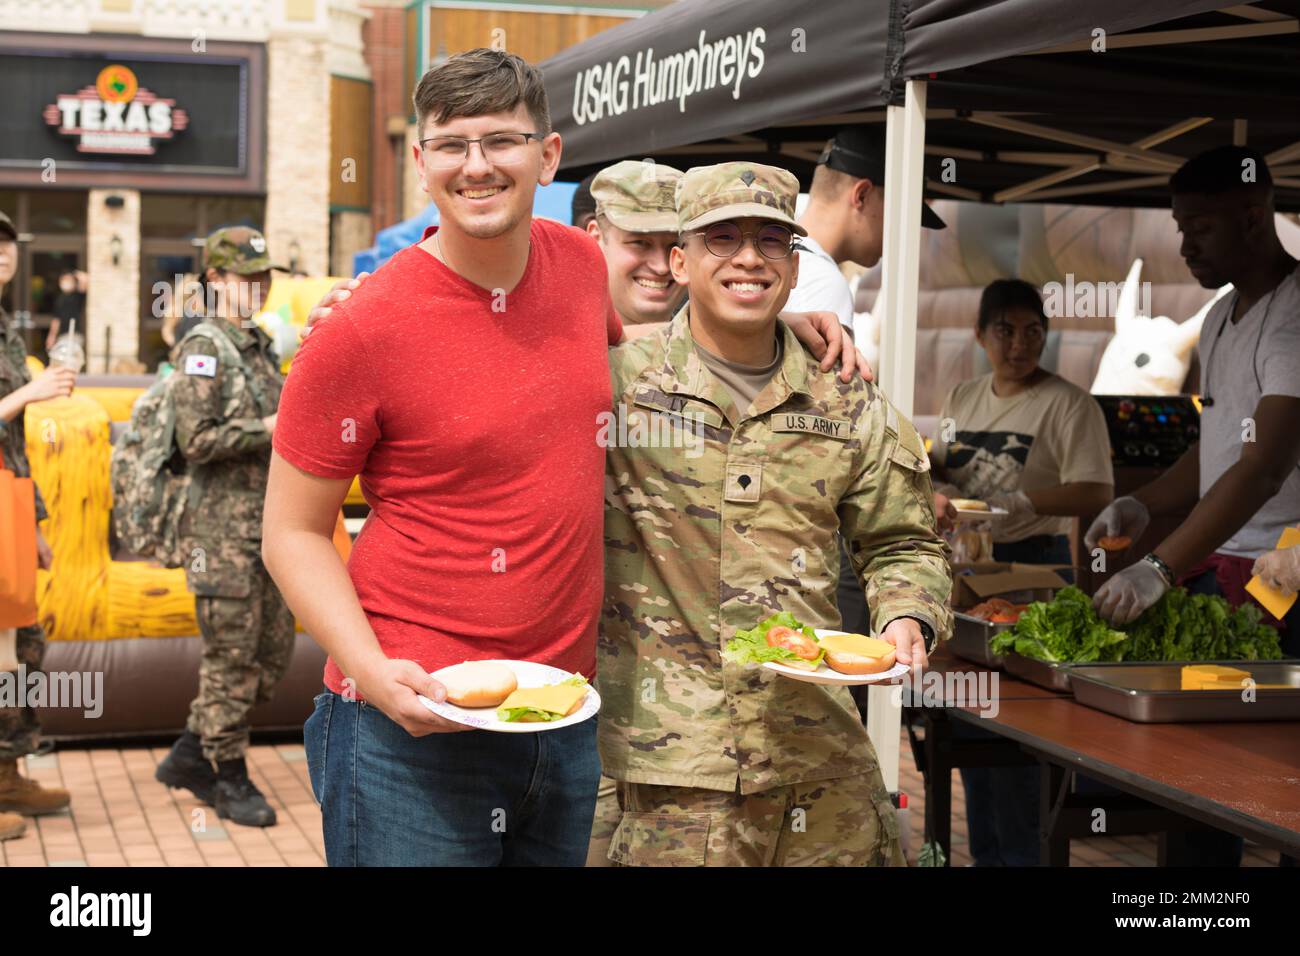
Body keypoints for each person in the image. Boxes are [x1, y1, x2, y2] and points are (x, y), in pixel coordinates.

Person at [599, 161, 953, 866]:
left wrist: (906, 618)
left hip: (816, 765)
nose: (748, 260)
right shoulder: (617, 389)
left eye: (770, 241)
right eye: (721, 238)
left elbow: (903, 542)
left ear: (794, 264)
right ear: (680, 260)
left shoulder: (846, 398)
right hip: (671, 773)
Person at [1086, 146, 1300, 867]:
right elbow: (1214, 448)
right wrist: (1142, 504)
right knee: (1198, 783)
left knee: (1280, 790)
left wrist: (1157, 567)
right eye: (1179, 227)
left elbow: (1263, 467)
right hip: (1224, 579)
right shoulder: (1216, 318)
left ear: (1252, 214)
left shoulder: (1295, 313)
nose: (1184, 246)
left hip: (1289, 585)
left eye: (1199, 226)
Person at [927, 277, 1114, 867]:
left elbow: (1098, 488)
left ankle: (1023, 859)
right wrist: (931, 480)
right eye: (1005, 330)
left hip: (1034, 580)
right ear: (981, 334)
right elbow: (943, 459)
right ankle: (987, 858)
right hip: (967, 574)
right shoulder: (963, 396)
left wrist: (1029, 503)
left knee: (1019, 740)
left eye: (1033, 331)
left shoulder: (1068, 403)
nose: (1019, 344)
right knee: (972, 733)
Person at [788, 126, 954, 640]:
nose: (902, 235)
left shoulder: (783, 262)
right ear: (862, 195)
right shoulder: (820, 281)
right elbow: (819, 436)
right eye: (901, 214)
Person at [153, 226, 292, 829]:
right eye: (245, 277)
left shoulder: (258, 344)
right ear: (214, 281)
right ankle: (222, 774)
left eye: (264, 276)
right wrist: (273, 424)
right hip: (219, 535)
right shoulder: (201, 346)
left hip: (266, 528)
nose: (257, 287)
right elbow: (198, 440)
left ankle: (189, 751)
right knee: (232, 658)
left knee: (271, 654)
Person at [0, 210, 75, 840]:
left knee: (20, 648)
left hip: (9, 502)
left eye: (6, 245)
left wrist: (36, 526)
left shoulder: (3, 326)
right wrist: (30, 391)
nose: (1, 254)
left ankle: (7, 771)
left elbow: (12, 443)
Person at [585, 160, 687, 326]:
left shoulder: (722, 348)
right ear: (595, 239)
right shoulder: (557, 345)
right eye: (640, 243)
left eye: (675, 245)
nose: (661, 266)